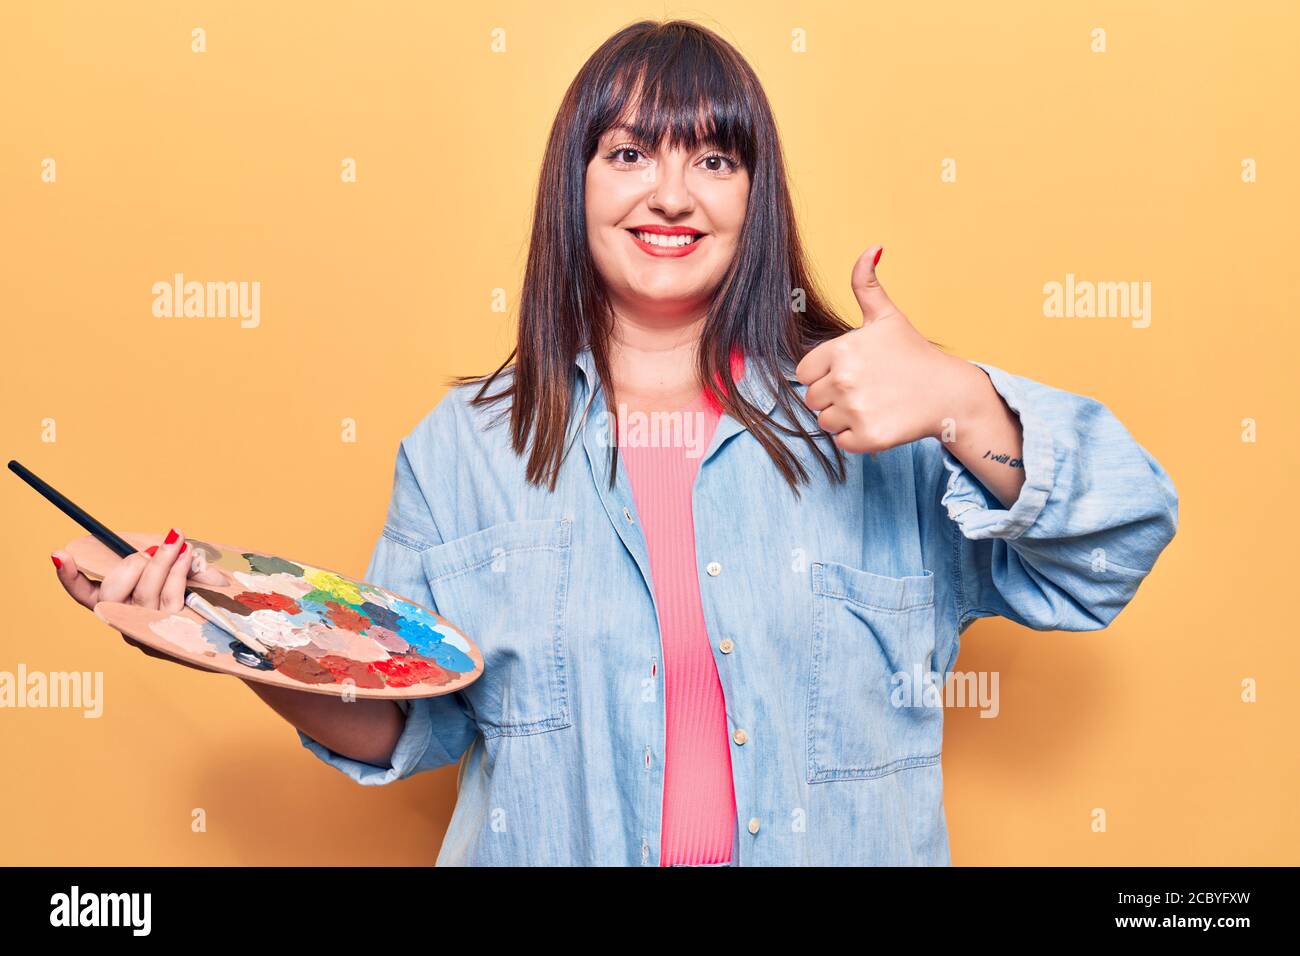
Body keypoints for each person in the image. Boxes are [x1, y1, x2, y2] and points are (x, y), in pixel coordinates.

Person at [50, 19, 1178, 866]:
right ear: (574, 186)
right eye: (630, 154)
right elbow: (412, 717)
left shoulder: (878, 412)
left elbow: (1111, 547)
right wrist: (240, 650)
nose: (672, 193)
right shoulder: (462, 450)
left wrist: (965, 398)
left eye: (715, 159)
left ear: (756, 196)